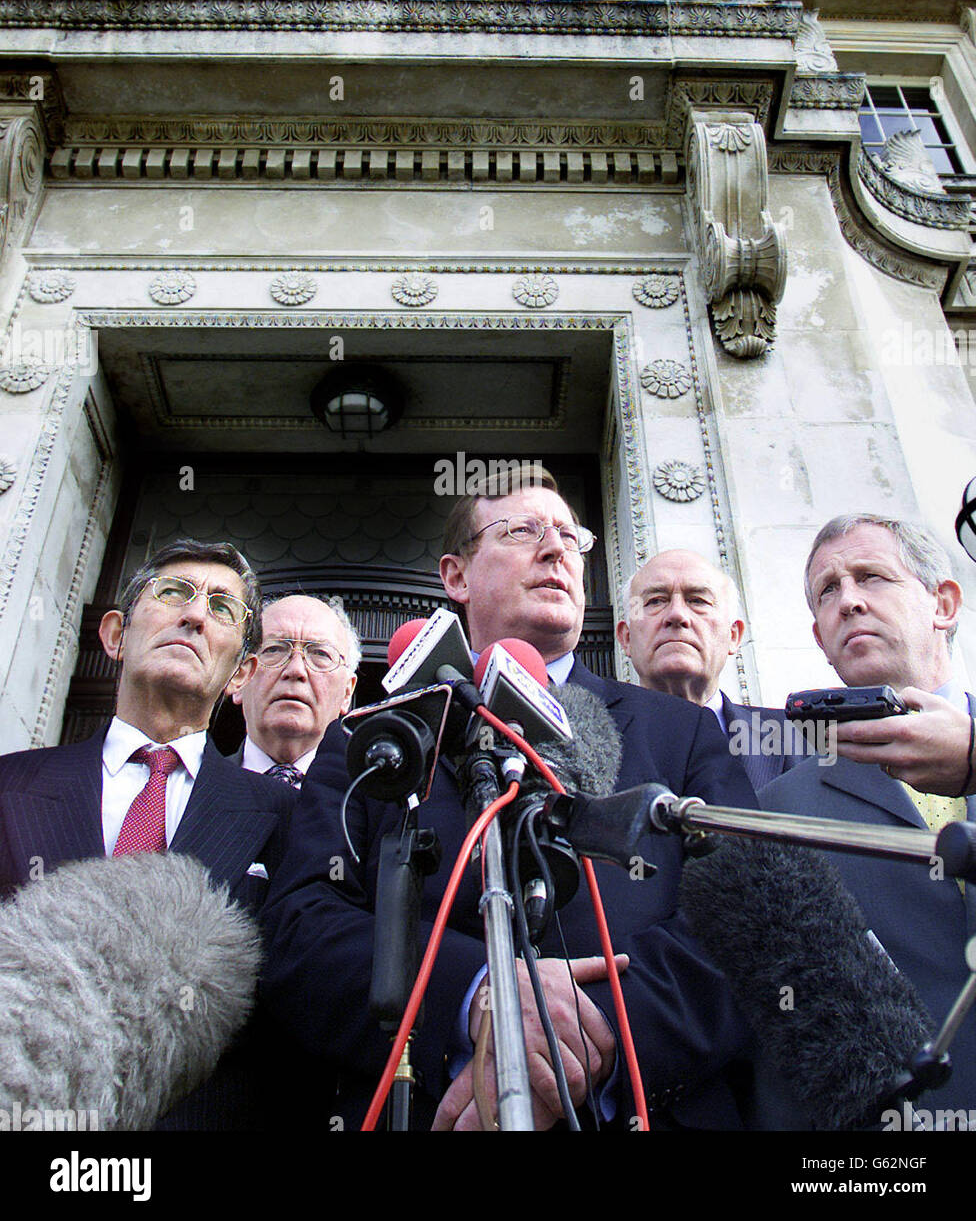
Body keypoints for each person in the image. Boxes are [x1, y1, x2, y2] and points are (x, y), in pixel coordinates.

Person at [261, 467, 757, 1131]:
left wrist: (590, 1035)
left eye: (568, 536)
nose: (556, 550)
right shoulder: (367, 740)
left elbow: (746, 920)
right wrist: (473, 1000)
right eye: (523, 531)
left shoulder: (684, 732)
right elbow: (302, 929)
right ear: (456, 576)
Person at [0, 538, 297, 1127]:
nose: (194, 614)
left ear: (241, 672)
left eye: (222, 609)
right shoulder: (10, 786)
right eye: (174, 593)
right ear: (115, 635)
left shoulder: (288, 815)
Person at [758, 513, 976, 1120]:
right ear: (819, 636)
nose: (848, 601)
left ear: (944, 603)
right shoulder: (782, 810)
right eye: (828, 591)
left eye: (872, 577)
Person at [617, 549, 806, 789]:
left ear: (733, 636)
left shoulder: (800, 739)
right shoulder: (586, 741)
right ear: (626, 638)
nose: (676, 615)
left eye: (698, 601)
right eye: (655, 601)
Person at [231, 593, 359, 787]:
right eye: (274, 649)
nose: (296, 670)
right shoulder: (194, 790)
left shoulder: (375, 805)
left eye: (320, 654)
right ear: (238, 676)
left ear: (347, 693)